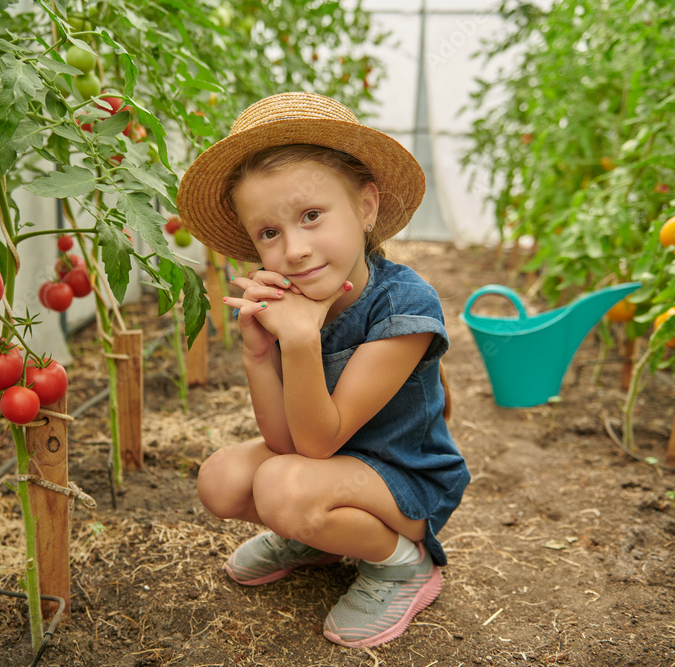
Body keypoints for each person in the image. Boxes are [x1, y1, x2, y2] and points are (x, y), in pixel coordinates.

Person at [175, 92, 469, 648]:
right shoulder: (289, 304)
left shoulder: (404, 306)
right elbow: (284, 440)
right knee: (222, 480)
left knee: (285, 490)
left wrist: (304, 341)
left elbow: (312, 447)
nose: (295, 249)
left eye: (312, 216)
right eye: (269, 233)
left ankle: (403, 564)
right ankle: (320, 539)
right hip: (328, 463)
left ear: (365, 207)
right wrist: (259, 353)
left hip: (405, 480)